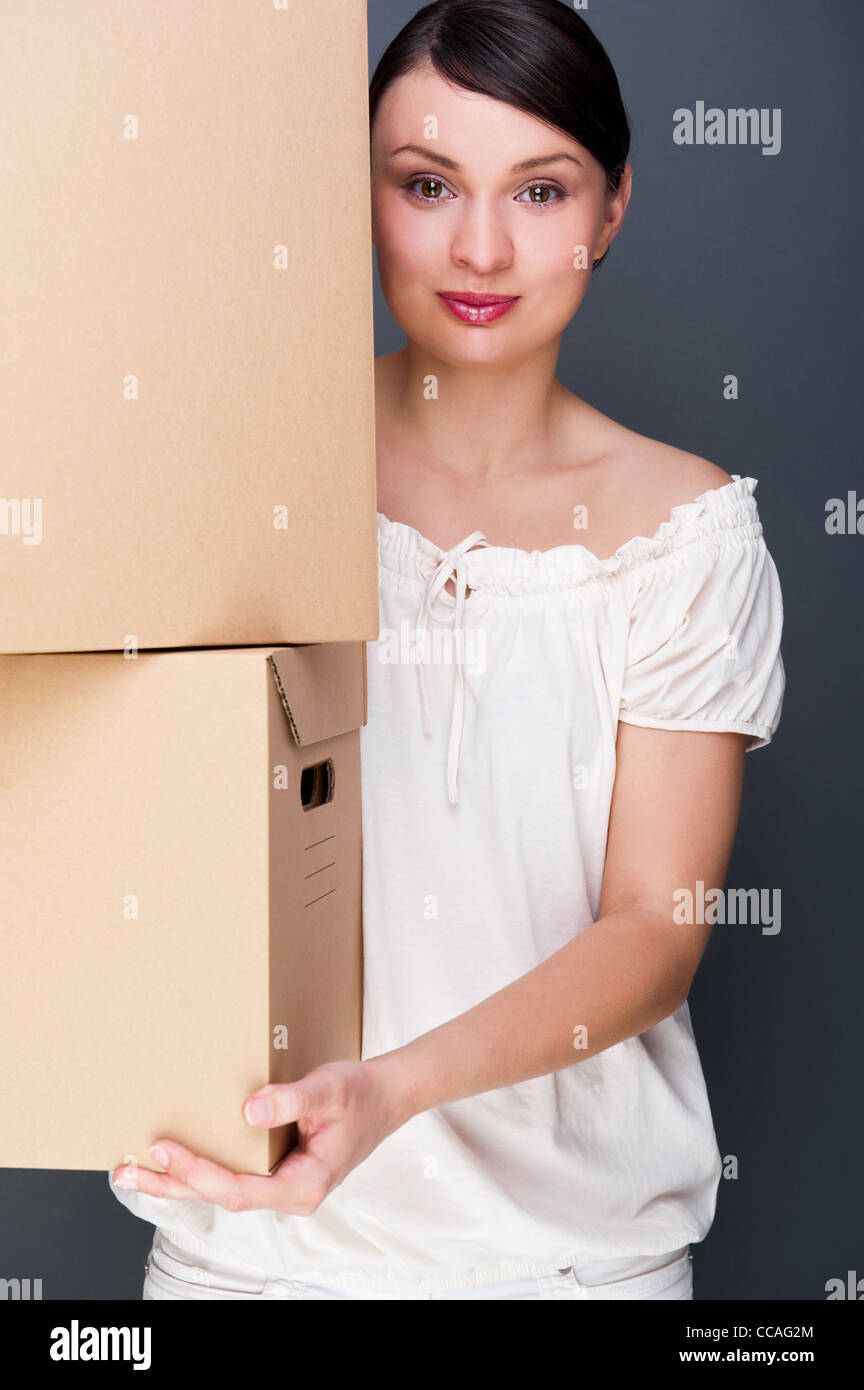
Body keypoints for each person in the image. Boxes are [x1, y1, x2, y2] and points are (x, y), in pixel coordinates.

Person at [110, 0, 785, 1301]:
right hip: (247, 1247)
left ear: (614, 207)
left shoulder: (686, 531)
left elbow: (657, 924)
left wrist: (391, 1090)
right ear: (360, 196)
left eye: (540, 188)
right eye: (428, 184)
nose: (481, 246)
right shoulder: (240, 468)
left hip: (572, 1264)